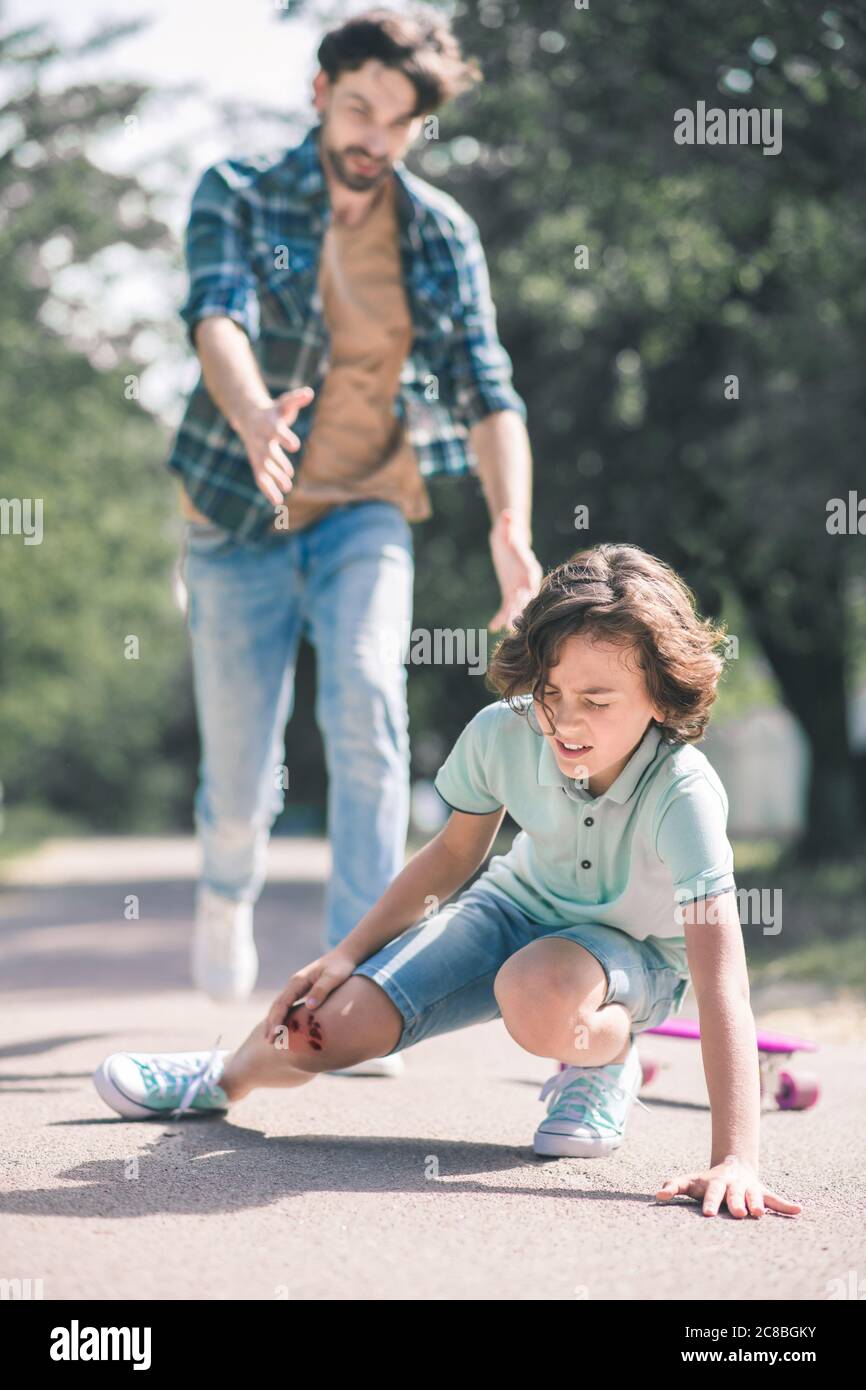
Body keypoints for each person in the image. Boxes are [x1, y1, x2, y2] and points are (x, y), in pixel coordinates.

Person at [93, 544, 802, 1220]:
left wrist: (735, 1157)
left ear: (661, 694)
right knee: (321, 1028)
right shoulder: (505, 733)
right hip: (510, 912)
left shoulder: (685, 795)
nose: (566, 721)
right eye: (552, 692)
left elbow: (722, 986)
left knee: (537, 989)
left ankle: (606, 1056)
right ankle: (218, 1079)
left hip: (633, 958)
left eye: (598, 698)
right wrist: (349, 954)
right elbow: (452, 857)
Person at [166, 5, 542, 1079]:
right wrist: (249, 414)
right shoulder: (238, 193)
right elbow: (217, 312)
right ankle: (225, 885)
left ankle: (359, 980)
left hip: (364, 509)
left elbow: (487, 386)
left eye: (403, 120)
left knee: (369, 706)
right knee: (241, 770)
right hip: (236, 517)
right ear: (321, 93)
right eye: (363, 107)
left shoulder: (435, 231)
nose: (378, 135)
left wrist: (509, 524)